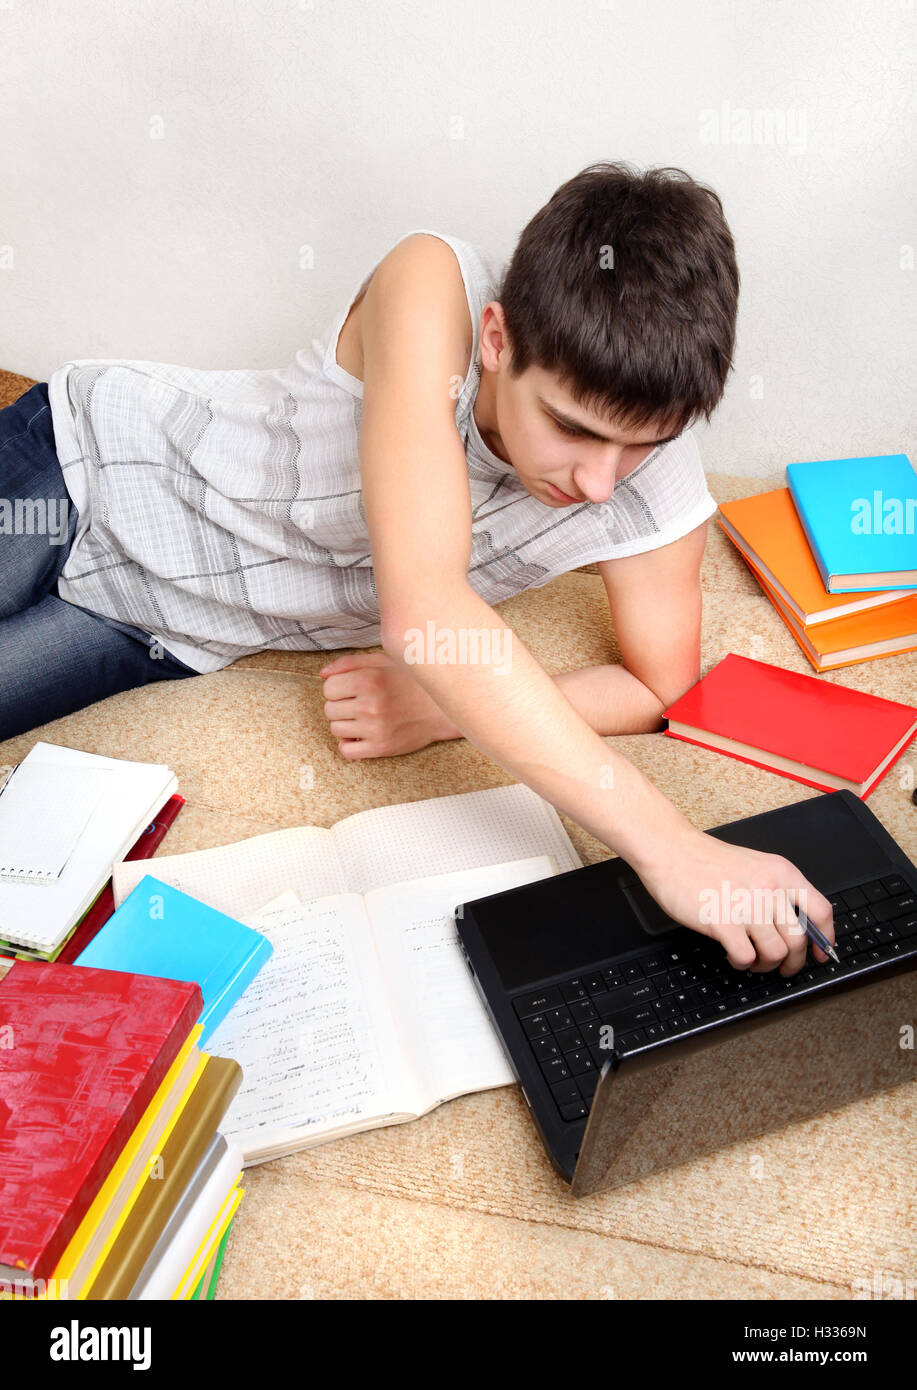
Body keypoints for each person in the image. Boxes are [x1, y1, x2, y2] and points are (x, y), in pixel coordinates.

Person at [0, 159, 835, 969]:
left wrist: (444, 707)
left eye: (641, 445)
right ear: (498, 339)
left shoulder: (654, 479)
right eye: (573, 427)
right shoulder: (432, 286)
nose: (597, 482)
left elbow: (659, 689)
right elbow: (427, 605)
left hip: (162, 623)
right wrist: (675, 851)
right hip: (89, 471)